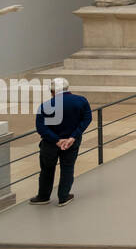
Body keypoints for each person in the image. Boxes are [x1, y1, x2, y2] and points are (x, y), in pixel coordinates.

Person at [30, 78, 92, 207]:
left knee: (47, 169)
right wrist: (73, 137)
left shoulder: (45, 106)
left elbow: (41, 127)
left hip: (50, 144)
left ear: (52, 91)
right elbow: (87, 118)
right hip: (71, 142)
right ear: (67, 88)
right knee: (67, 168)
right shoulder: (81, 101)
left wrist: (57, 140)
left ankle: (43, 196)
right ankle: (63, 197)